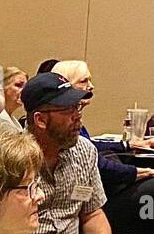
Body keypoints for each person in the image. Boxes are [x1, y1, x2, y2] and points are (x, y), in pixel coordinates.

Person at [22, 72, 132, 234]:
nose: (78, 115)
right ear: (40, 119)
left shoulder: (84, 151)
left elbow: (91, 211)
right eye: (68, 109)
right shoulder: (12, 157)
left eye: (78, 106)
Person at [50, 59, 154, 191]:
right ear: (65, 86)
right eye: (84, 81)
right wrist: (146, 172)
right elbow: (99, 165)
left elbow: (89, 146)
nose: (91, 86)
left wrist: (129, 145)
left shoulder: (76, 124)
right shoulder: (62, 125)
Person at [0, 67, 27, 135]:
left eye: (26, 87)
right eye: (18, 85)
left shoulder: (12, 119)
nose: (24, 91)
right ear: (2, 87)